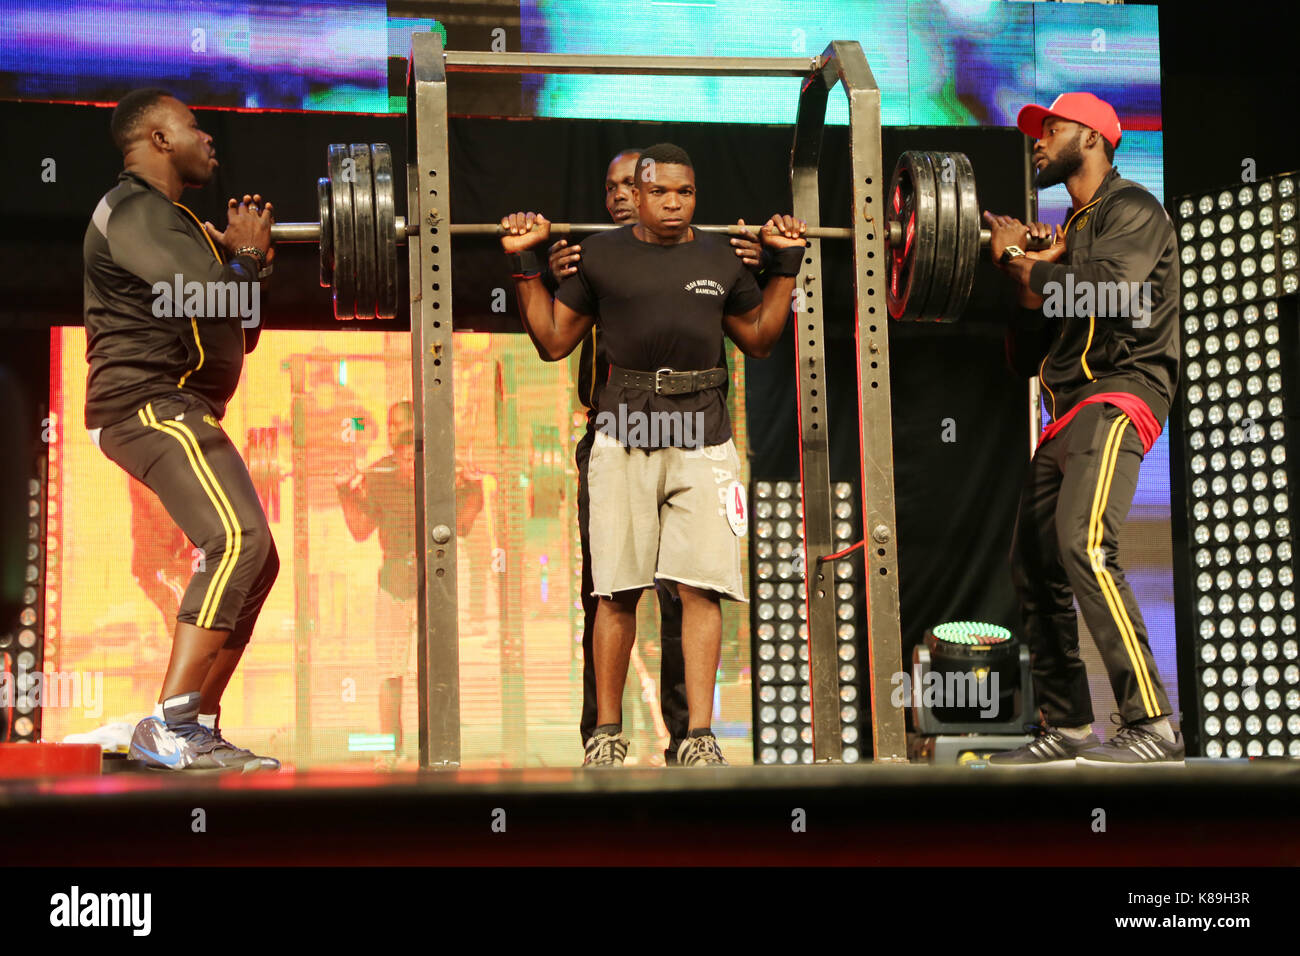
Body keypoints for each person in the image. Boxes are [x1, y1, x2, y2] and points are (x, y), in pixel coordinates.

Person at [501, 142, 807, 766]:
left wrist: (788, 268)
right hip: (624, 436)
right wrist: (526, 266)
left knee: (702, 588)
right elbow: (554, 341)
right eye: (660, 192)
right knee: (617, 590)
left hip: (705, 438)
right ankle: (608, 735)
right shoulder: (600, 255)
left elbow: (761, 339)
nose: (673, 203)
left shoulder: (723, 254)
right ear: (633, 197)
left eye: (685, 192)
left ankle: (698, 736)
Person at [983, 92, 1183, 766]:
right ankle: (1067, 724)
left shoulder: (1133, 209)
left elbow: (1114, 295)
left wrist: (1025, 263)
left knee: (1086, 544)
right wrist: (1030, 281)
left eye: (1054, 129)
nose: (1039, 141)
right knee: (1035, 565)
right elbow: (1024, 358)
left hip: (1122, 394)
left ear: (1093, 138)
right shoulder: (1068, 230)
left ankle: (1151, 722)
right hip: (1066, 410)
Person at [84, 88, 280, 772]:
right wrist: (245, 262)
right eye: (196, 127)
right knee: (236, 538)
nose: (209, 139)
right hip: (143, 402)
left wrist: (241, 264)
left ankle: (196, 724)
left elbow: (241, 329)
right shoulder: (132, 209)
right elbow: (212, 296)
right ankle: (169, 726)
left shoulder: (184, 223)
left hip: (180, 406)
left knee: (259, 562)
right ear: (158, 138)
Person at [335, 401, 417, 766]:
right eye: (392, 423)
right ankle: (390, 750)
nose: (396, 429)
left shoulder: (439, 466)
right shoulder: (378, 473)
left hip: (435, 583)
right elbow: (359, 530)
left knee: (436, 674)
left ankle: (442, 750)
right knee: (390, 672)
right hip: (395, 581)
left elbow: (462, 524)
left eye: (404, 423)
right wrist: (344, 493)